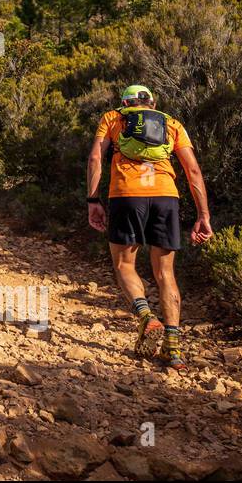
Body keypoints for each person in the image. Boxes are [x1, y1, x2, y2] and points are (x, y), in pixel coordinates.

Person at [86, 85, 212, 369]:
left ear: (126, 103)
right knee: (165, 272)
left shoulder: (113, 118)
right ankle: (173, 348)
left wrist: (93, 199)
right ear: (152, 103)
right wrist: (203, 214)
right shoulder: (172, 123)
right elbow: (193, 170)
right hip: (166, 197)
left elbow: (95, 158)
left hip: (127, 196)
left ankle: (145, 317)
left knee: (124, 265)